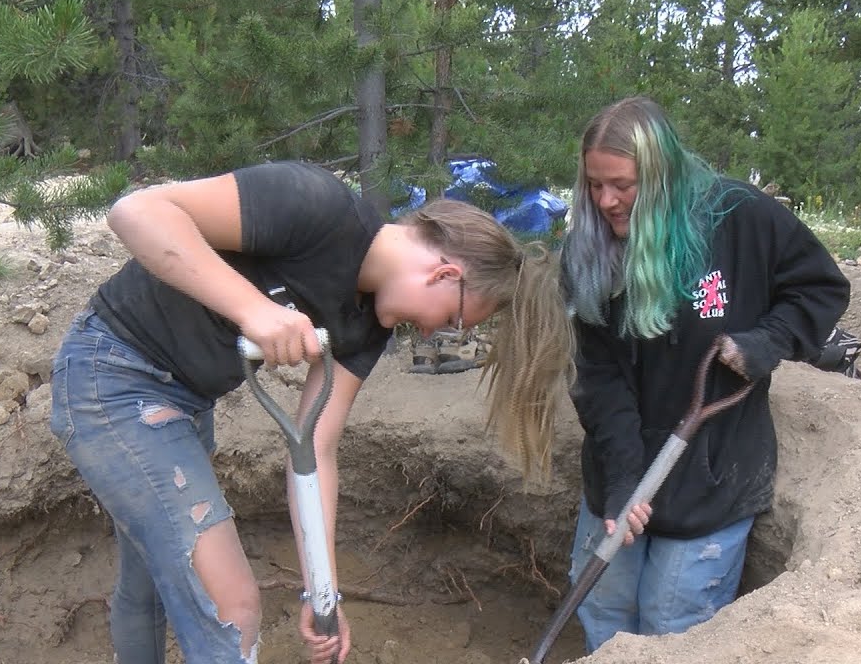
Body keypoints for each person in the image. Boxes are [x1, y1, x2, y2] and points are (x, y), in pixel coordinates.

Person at [47, 160, 573, 664]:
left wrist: (321, 590)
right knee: (230, 608)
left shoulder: (368, 326)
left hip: (181, 404)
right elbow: (136, 212)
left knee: (153, 583)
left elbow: (314, 447)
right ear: (445, 273)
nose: (434, 333)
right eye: (455, 319)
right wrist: (254, 310)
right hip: (110, 378)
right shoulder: (316, 206)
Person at [557, 96, 850, 650]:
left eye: (623, 184)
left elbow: (819, 286)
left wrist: (769, 341)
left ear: (663, 175)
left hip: (713, 469)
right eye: (594, 185)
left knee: (674, 627)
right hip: (620, 463)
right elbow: (598, 377)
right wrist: (622, 481)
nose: (606, 201)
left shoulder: (739, 216)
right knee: (605, 609)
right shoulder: (589, 253)